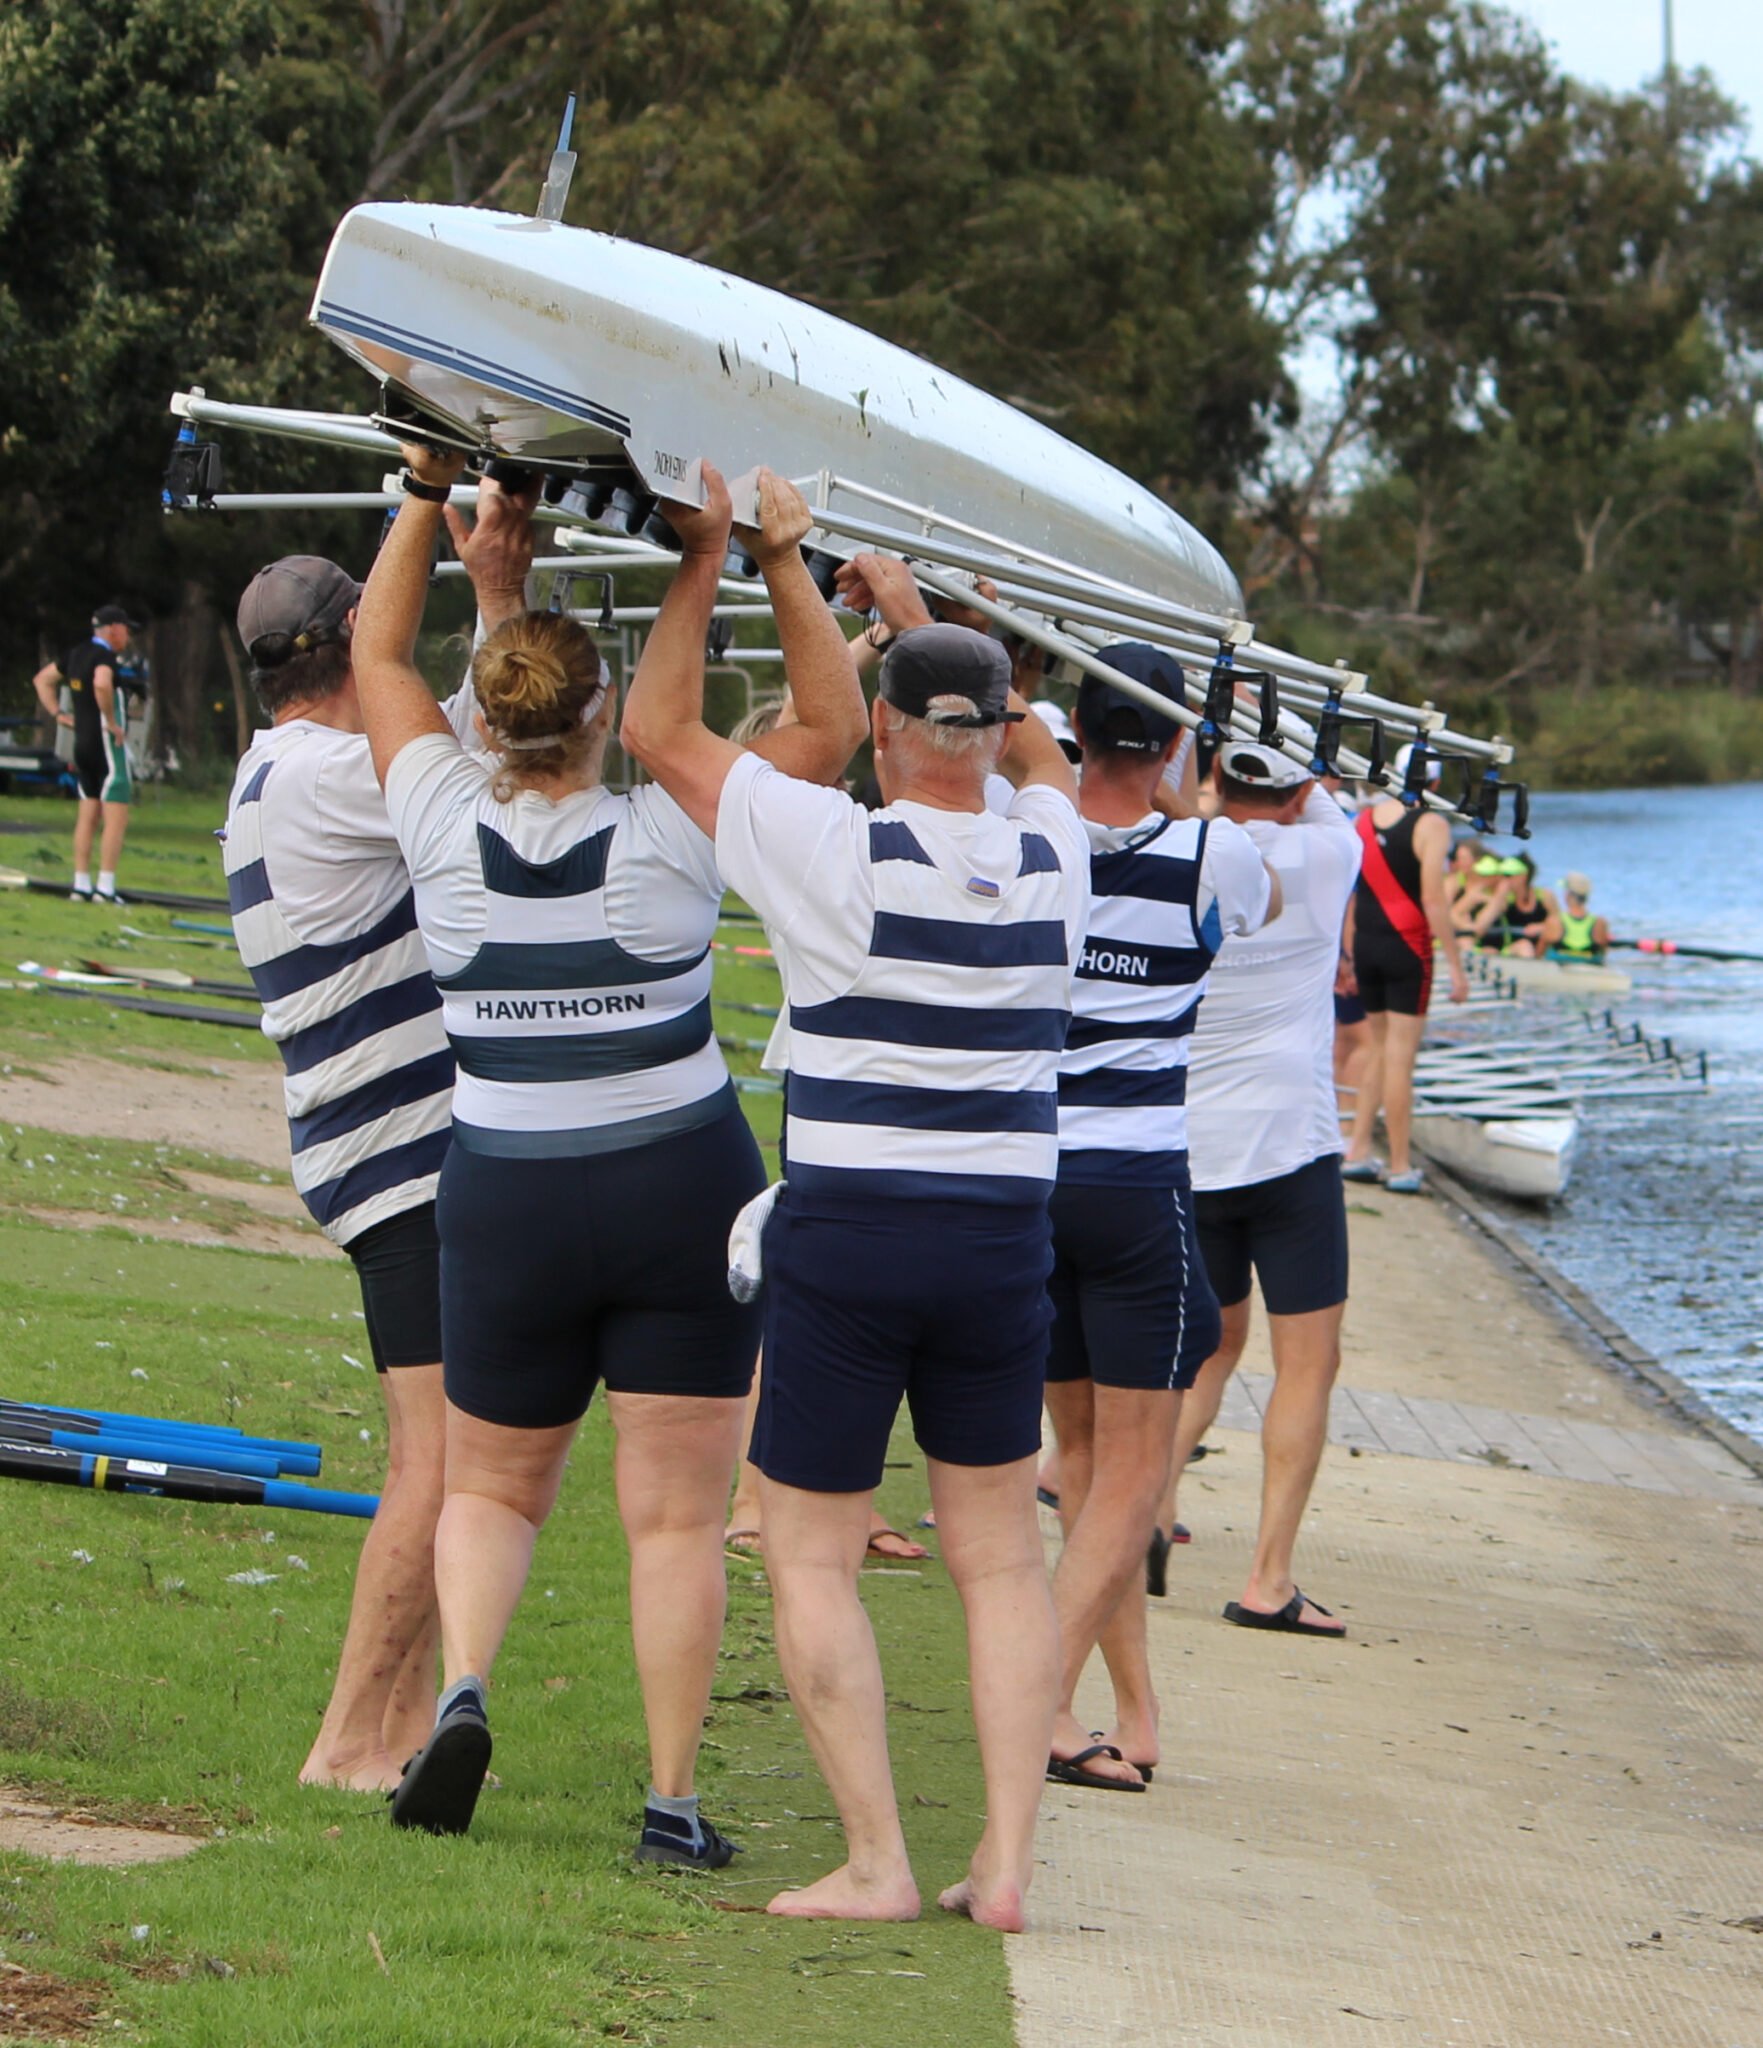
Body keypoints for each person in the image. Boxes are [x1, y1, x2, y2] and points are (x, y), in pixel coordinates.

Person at [351, 447, 865, 1863]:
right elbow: (831, 724)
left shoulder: (439, 820)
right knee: (673, 1522)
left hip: (502, 1188)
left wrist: (429, 496)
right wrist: (734, 559)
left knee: (489, 1486)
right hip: (673, 1190)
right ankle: (670, 1802)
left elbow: (376, 655)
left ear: (498, 724)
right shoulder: (672, 827)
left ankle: (459, 1689)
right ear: (598, 721)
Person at [622, 491, 1088, 1932]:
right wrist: (913, 616)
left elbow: (658, 731)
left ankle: (882, 1861)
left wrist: (733, 558)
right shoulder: (1054, 863)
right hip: (1004, 1239)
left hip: (853, 1230)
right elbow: (1040, 753)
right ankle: (1003, 1866)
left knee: (812, 1550)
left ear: (884, 736)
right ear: (991, 728)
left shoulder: (836, 854)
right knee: (1001, 1555)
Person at [222, 489, 535, 1792]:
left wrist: (498, 590)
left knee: (448, 1453)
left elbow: (485, 725)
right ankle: (349, 1739)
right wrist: (421, 497)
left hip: (386, 1147)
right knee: (442, 1459)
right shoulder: (313, 776)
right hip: (396, 1155)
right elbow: (475, 743)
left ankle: (401, 1721)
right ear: (350, 646)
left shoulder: (307, 771)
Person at [1042, 654, 1276, 1792]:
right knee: (1135, 1478)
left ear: (1073, 725)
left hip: (1030, 1178)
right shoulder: (1211, 850)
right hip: (1131, 1186)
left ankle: (1131, 1709)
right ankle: (1037, 1699)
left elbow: (1048, 782)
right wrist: (1181, 777)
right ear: (1177, 744)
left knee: (1085, 1462)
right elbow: (1245, 888)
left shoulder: (1024, 836)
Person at [721, 690, 929, 1566]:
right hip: (827, 1076)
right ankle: (749, 1497)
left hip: (869, 1074)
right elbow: (763, 761)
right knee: (798, 1299)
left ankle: (854, 1501)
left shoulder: (834, 827)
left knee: (870, 1303)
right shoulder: (786, 832)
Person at [1164, 740, 1363, 1636]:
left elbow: (1180, 797)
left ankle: (1146, 1515)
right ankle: (1267, 1578)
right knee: (1306, 1365)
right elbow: (1318, 799)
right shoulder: (1326, 853)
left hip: (1190, 1148)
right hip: (1291, 1150)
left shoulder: (1186, 854)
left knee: (1206, 1347)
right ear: (1293, 793)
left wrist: (1197, 755)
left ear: (1221, 782)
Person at [1341, 750, 1467, 1193]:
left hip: (1367, 944)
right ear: (1433, 784)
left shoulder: (1363, 820)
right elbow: (1433, 899)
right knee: (1400, 1058)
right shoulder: (1432, 824)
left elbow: (1353, 894)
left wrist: (1348, 955)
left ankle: (1357, 1151)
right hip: (1408, 949)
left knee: (1377, 1048)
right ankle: (1398, 1165)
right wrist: (1456, 965)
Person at [33, 604, 140, 902]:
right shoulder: (105, 656)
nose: (128, 635)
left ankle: (81, 884)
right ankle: (105, 887)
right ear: (114, 628)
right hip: (107, 745)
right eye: (126, 629)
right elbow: (102, 684)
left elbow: (41, 679)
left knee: (87, 813)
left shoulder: (76, 653)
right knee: (116, 815)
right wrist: (111, 723)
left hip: (82, 744)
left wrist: (58, 714)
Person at [1474, 853, 1560, 957]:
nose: (1504, 879)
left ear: (1523, 876)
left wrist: (1541, 927)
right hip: (1511, 949)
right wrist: (1499, 896)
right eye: (1502, 875)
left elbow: (1557, 926)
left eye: (1508, 875)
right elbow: (1480, 927)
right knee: (1525, 946)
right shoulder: (1505, 899)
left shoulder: (1544, 896)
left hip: (1539, 949)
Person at [1553, 872, 1608, 960]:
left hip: (1560, 965)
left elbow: (1540, 954)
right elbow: (1603, 953)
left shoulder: (1555, 921)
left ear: (1568, 895)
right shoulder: (1599, 923)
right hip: (1589, 965)